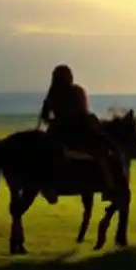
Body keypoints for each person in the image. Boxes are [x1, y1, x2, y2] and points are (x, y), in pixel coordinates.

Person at [37, 64, 119, 204]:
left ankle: (49, 187)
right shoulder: (76, 91)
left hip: (59, 132)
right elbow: (83, 111)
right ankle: (109, 187)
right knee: (103, 150)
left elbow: (44, 117)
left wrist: (55, 121)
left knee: (46, 158)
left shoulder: (52, 95)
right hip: (78, 130)